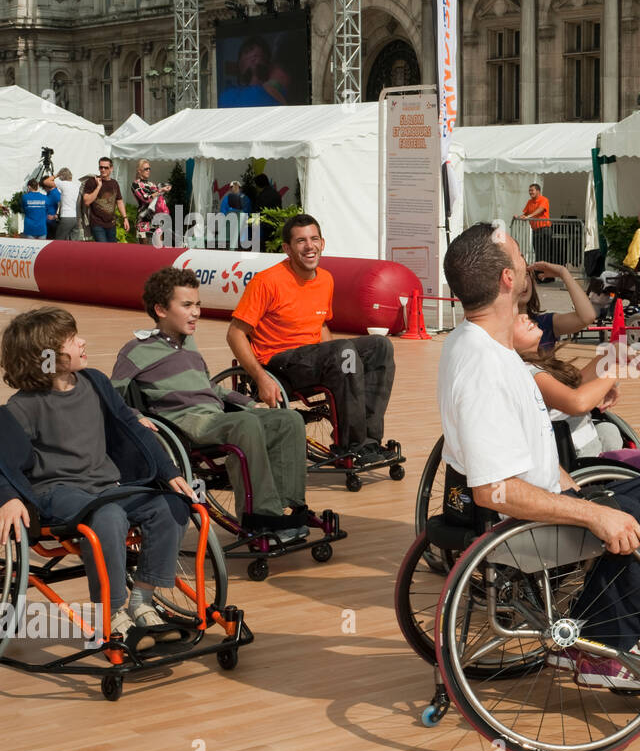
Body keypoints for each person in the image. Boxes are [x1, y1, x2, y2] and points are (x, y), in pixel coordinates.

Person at [439, 221, 640, 687]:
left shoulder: (483, 346)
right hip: (520, 529)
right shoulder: (486, 365)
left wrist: (570, 485)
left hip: (530, 508)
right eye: (520, 257)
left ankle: (594, 628)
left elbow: (522, 451)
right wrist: (590, 514)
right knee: (632, 515)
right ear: (508, 279)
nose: (526, 262)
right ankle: (600, 652)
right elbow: (494, 490)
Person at [0, 307, 194, 651]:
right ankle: (114, 608)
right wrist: (8, 497)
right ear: (48, 356)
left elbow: (131, 427)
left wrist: (169, 471)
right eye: (72, 340)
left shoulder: (95, 382)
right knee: (108, 516)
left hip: (107, 485)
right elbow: (2, 459)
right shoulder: (22, 407)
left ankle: (142, 601)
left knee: (171, 506)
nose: (83, 342)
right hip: (57, 492)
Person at [112, 268, 309, 542]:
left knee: (288, 419)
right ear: (160, 309)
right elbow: (112, 397)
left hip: (214, 416)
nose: (196, 312)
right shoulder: (135, 350)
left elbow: (211, 387)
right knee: (245, 424)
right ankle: (261, 516)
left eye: (198, 305)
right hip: (184, 423)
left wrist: (250, 403)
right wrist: (134, 416)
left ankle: (289, 505)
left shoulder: (188, 344)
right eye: (187, 305)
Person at [512, 311, 640, 559]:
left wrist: (610, 358)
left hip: (589, 458)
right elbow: (577, 401)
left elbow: (578, 383)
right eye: (515, 317)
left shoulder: (535, 366)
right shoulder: (526, 372)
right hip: (584, 465)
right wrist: (615, 370)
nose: (526, 315)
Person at [226, 213, 396, 461]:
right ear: (287, 248)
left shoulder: (326, 279)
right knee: (345, 352)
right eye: (301, 241)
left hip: (312, 359)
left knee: (380, 346)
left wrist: (339, 354)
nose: (309, 246)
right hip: (279, 364)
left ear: (322, 243)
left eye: (314, 239)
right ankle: (352, 445)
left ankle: (370, 440)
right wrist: (260, 377)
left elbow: (322, 326)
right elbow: (235, 334)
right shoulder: (267, 281)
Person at [522, 260, 597, 355]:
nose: (523, 281)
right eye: (516, 275)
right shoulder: (498, 332)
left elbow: (587, 317)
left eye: (526, 274)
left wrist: (563, 273)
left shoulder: (543, 323)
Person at [83, 156, 127, 242]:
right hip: (97, 223)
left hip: (111, 223)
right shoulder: (92, 181)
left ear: (111, 168)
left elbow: (119, 201)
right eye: (101, 167)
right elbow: (87, 201)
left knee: (112, 250)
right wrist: (99, 186)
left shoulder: (114, 183)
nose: (103, 170)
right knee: (102, 249)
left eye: (106, 167)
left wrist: (125, 218)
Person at [516, 182, 553, 276]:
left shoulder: (544, 199)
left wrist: (529, 216)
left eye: (532, 190)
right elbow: (525, 214)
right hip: (536, 230)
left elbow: (540, 210)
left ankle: (547, 276)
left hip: (544, 229)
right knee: (538, 253)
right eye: (529, 190)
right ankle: (539, 275)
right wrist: (519, 217)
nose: (530, 192)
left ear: (538, 191)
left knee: (545, 254)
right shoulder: (529, 202)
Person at [132, 160, 171, 245]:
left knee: (158, 248)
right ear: (139, 170)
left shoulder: (152, 184)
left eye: (149, 169)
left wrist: (165, 188)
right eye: (146, 169)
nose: (148, 170)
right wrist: (160, 190)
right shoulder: (136, 184)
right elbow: (146, 198)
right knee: (144, 251)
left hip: (156, 219)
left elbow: (158, 197)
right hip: (143, 220)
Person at [54, 167, 80, 239]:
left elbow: (46, 182)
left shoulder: (63, 184)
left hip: (66, 216)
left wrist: (56, 175)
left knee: (59, 240)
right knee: (73, 243)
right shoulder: (76, 186)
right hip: (76, 217)